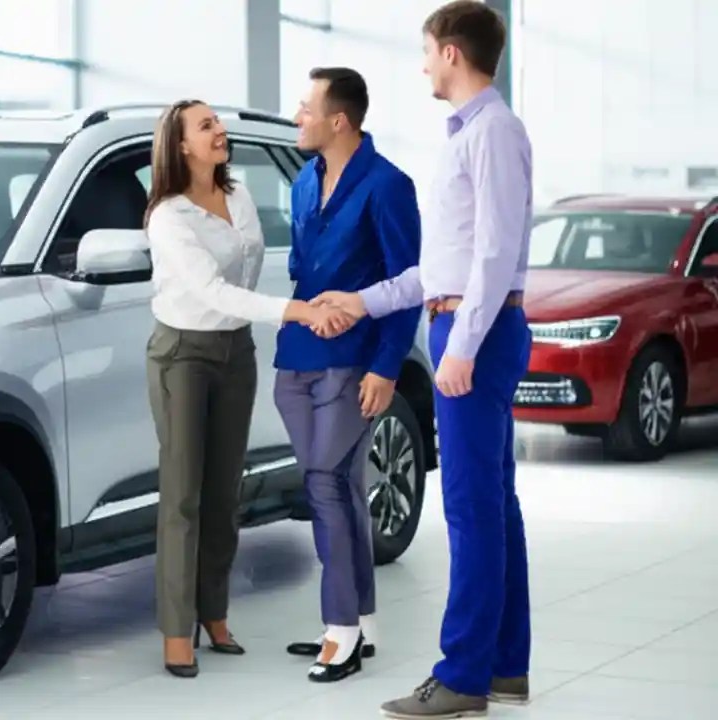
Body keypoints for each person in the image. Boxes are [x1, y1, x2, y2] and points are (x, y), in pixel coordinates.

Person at [311, 2, 534, 716]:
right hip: (469, 323)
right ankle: (503, 666)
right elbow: (435, 270)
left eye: (427, 52)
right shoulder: (471, 134)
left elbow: (495, 255)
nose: (423, 65)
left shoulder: (492, 132)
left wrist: (461, 346)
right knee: (494, 506)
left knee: (471, 510)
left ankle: (464, 677)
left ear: (452, 53)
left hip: (478, 332)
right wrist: (363, 299)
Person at [142, 99, 352, 679]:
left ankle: (214, 612)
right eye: (206, 126)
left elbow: (249, 266)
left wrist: (269, 313)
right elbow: (211, 290)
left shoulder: (235, 196)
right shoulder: (168, 215)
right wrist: (295, 312)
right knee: (183, 494)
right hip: (183, 353)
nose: (219, 131)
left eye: (217, 122)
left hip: (236, 352)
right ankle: (176, 630)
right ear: (181, 144)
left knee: (223, 490)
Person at [276, 67, 421, 684]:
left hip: (353, 361)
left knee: (325, 483)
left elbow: (409, 283)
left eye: (306, 108)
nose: (297, 117)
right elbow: (299, 264)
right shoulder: (304, 182)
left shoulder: (389, 185)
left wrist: (386, 367)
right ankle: (358, 619)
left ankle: (340, 632)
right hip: (296, 359)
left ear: (339, 119)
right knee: (339, 486)